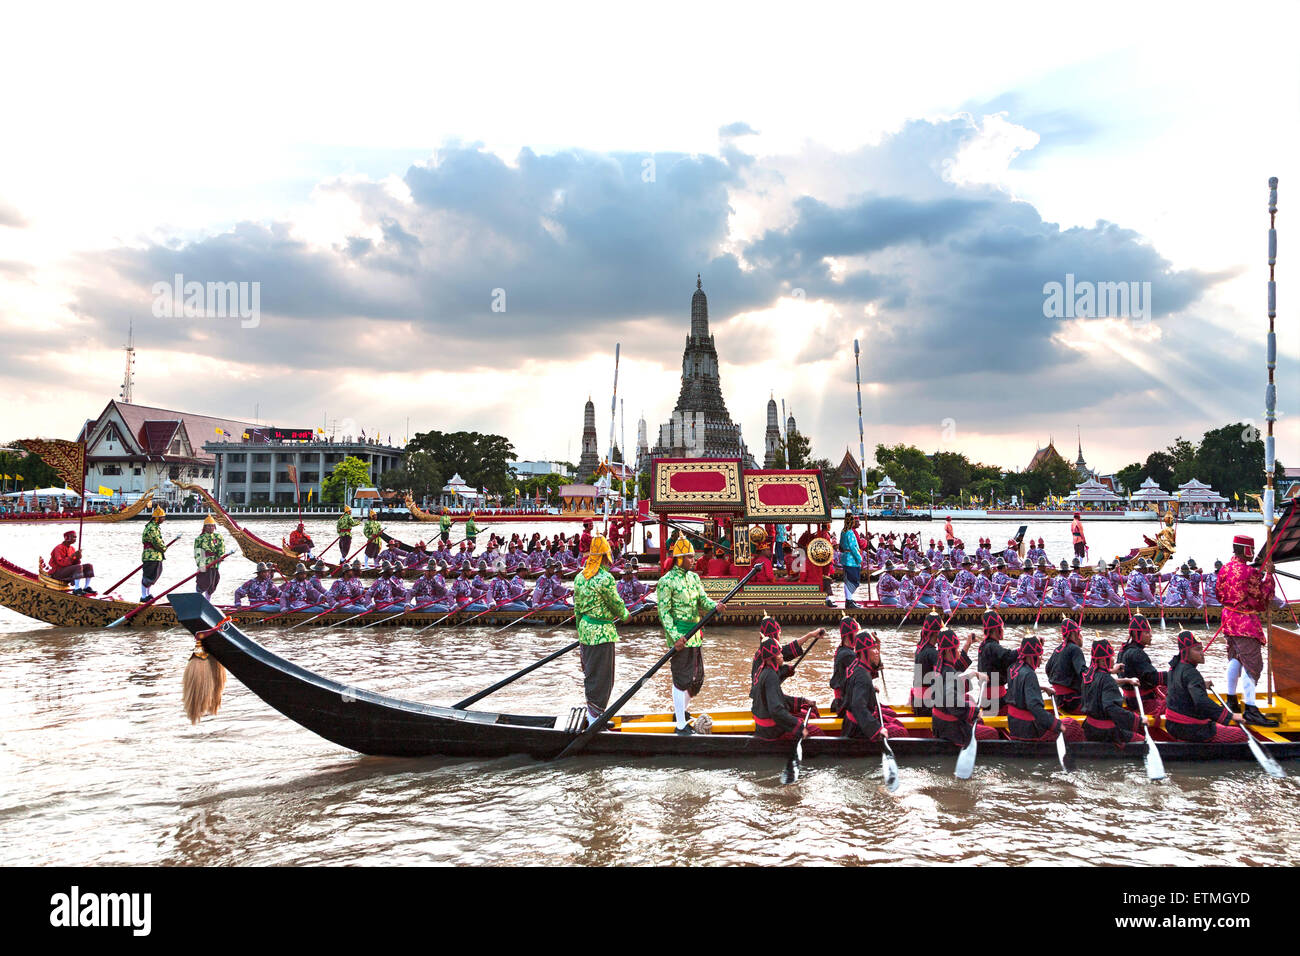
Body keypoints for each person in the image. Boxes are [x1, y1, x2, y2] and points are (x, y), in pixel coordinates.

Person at [1215, 533, 1280, 726]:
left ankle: (1232, 699)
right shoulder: (1250, 573)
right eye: (1251, 550)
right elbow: (1263, 599)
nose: (1252, 554)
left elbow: (1218, 594)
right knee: (1253, 664)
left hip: (1228, 618)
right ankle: (1250, 707)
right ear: (1246, 550)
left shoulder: (1225, 568)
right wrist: (1269, 576)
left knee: (1236, 657)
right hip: (1244, 622)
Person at [655, 538, 717, 734]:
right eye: (689, 557)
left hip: (695, 634)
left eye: (692, 556)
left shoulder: (694, 578)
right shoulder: (666, 581)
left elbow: (703, 600)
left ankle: (681, 710)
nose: (693, 559)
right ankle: (680, 724)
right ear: (679, 559)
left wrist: (715, 606)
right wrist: (675, 637)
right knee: (681, 679)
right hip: (680, 636)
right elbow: (664, 613)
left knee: (697, 678)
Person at [573, 534, 631, 727]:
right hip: (602, 633)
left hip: (586, 631)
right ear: (605, 556)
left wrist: (581, 632)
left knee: (592, 675)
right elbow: (615, 603)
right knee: (603, 678)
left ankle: (595, 717)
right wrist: (625, 615)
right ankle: (594, 720)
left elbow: (578, 609)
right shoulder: (605, 578)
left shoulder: (580, 578)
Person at [1162, 631, 1249, 743]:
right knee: (1242, 734)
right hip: (1190, 729)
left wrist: (1202, 684)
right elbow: (1201, 702)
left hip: (1172, 726)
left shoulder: (1173, 667)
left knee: (1213, 718)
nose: (1202, 653)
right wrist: (1231, 716)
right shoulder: (1192, 673)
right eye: (1197, 649)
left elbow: (1182, 687)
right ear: (1186, 652)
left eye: (1201, 649)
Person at [749, 617, 823, 741]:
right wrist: (799, 727)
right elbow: (776, 709)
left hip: (766, 708)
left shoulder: (766, 663)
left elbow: (786, 652)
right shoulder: (769, 674)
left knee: (811, 711)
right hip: (770, 722)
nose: (782, 655)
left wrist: (802, 701)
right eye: (779, 653)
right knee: (817, 731)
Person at [1004, 635, 1084, 743]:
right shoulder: (1029, 674)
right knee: (1072, 725)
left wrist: (1042, 687)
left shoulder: (1012, 668)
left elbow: (1020, 688)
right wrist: (1057, 725)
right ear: (1033, 656)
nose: (1041, 660)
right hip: (1030, 731)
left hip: (1014, 726)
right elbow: (1035, 707)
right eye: (1040, 656)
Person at [931, 629, 999, 746]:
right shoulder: (949, 672)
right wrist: (974, 712)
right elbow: (952, 701)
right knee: (992, 733)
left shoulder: (939, 665)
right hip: (951, 729)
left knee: (969, 701)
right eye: (956, 649)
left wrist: (974, 674)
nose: (958, 652)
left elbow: (953, 682)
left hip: (938, 723)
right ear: (948, 650)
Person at [1080, 640, 1145, 744]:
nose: (1113, 660)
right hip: (1106, 733)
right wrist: (1138, 720)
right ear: (1102, 660)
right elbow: (1112, 709)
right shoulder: (1107, 680)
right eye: (1111, 657)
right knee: (1142, 741)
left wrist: (1126, 679)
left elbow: (1102, 678)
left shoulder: (1087, 675)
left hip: (1089, 728)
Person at [977, 608, 1017, 713]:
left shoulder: (984, 645)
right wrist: (1027, 647)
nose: (1003, 630)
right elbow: (1009, 656)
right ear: (997, 629)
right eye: (1002, 628)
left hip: (988, 697)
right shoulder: (992, 646)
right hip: (996, 700)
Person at [1045, 616, 1086, 713]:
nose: (1081, 636)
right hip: (1071, 701)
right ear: (1073, 634)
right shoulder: (1075, 649)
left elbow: (1047, 669)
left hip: (1058, 699)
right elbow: (1083, 674)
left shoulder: (1057, 649)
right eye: (1079, 633)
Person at [908, 611, 943, 716]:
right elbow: (950, 671)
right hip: (926, 706)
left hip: (918, 702)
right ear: (937, 633)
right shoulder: (932, 653)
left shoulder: (920, 648)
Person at [49, 530, 95, 594]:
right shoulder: (58, 548)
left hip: (68, 570)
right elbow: (61, 563)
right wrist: (72, 556)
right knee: (78, 567)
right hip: (58, 572)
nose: (75, 539)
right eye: (73, 537)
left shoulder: (72, 548)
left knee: (89, 566)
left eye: (76, 537)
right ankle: (76, 588)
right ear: (67, 538)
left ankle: (86, 587)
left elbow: (75, 563)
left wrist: (78, 557)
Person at [193, 514, 225, 601]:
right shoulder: (199, 539)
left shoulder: (218, 537)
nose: (211, 528)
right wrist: (202, 566)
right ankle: (197, 599)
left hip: (215, 564)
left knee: (213, 583)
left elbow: (221, 549)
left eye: (212, 526)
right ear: (205, 527)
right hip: (205, 563)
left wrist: (220, 558)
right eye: (209, 526)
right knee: (203, 582)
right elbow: (198, 553)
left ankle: (208, 601)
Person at [140, 506, 168, 602]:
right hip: (150, 555)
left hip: (156, 555)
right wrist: (163, 548)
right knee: (148, 575)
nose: (163, 519)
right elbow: (156, 541)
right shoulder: (152, 527)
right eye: (162, 517)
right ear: (157, 518)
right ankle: (143, 596)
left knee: (154, 575)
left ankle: (147, 594)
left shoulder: (155, 527)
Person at [839, 515, 862, 608]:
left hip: (845, 557)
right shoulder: (850, 532)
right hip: (851, 559)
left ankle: (849, 598)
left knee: (848, 579)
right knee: (853, 579)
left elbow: (840, 544)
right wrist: (859, 558)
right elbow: (853, 547)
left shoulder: (843, 531)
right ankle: (848, 600)